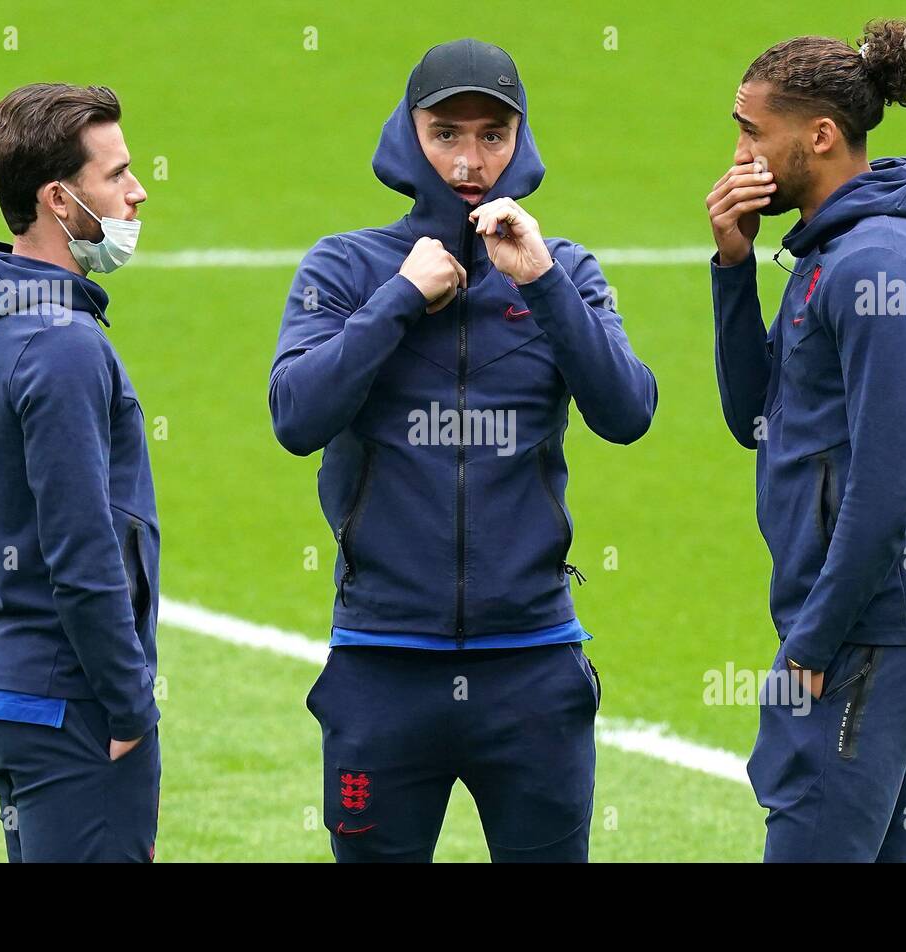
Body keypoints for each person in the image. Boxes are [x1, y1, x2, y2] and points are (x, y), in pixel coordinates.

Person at [270, 38, 657, 862]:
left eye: (493, 134)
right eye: (447, 133)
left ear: (522, 140)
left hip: (534, 668)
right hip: (381, 666)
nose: (470, 160)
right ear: (408, 136)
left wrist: (543, 282)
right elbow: (296, 417)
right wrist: (400, 299)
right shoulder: (345, 267)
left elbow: (627, 412)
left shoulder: (567, 270)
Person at [706, 19, 906, 861]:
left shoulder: (874, 262)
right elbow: (755, 415)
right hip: (867, 627)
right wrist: (733, 265)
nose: (739, 153)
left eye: (752, 132)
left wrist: (809, 649)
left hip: (864, 634)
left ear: (819, 135)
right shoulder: (831, 252)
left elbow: (891, 484)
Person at [0, 83, 161, 862]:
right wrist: (132, 707)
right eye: (117, 175)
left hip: (7, 688)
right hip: (69, 700)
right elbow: (83, 550)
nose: (138, 191)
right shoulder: (62, 344)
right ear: (60, 199)